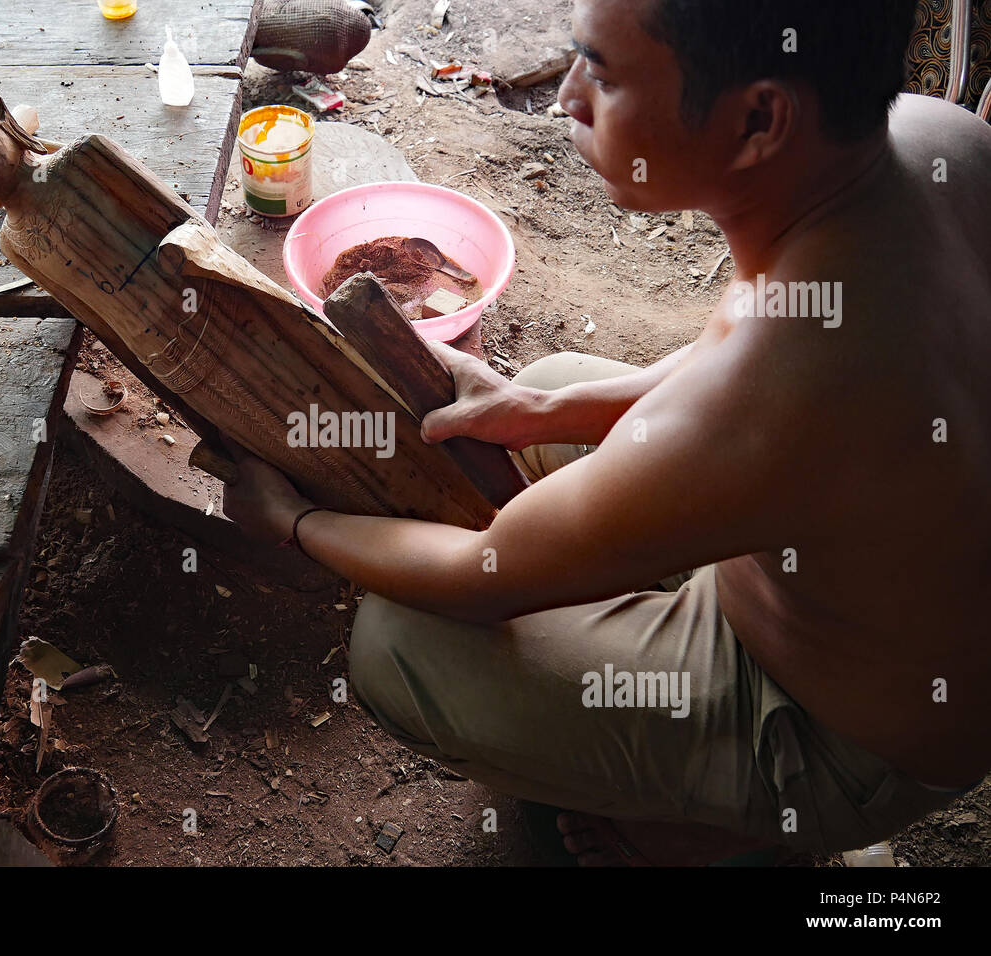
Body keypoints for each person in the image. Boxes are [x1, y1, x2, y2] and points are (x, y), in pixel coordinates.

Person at [223, 0, 991, 865]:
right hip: (843, 589)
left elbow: (482, 579)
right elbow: (745, 336)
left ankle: (742, 834)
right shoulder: (936, 143)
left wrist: (293, 522)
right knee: (548, 389)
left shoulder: (779, 399)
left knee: (403, 646)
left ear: (759, 119)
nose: (568, 98)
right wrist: (548, 413)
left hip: (842, 735)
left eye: (607, 74)